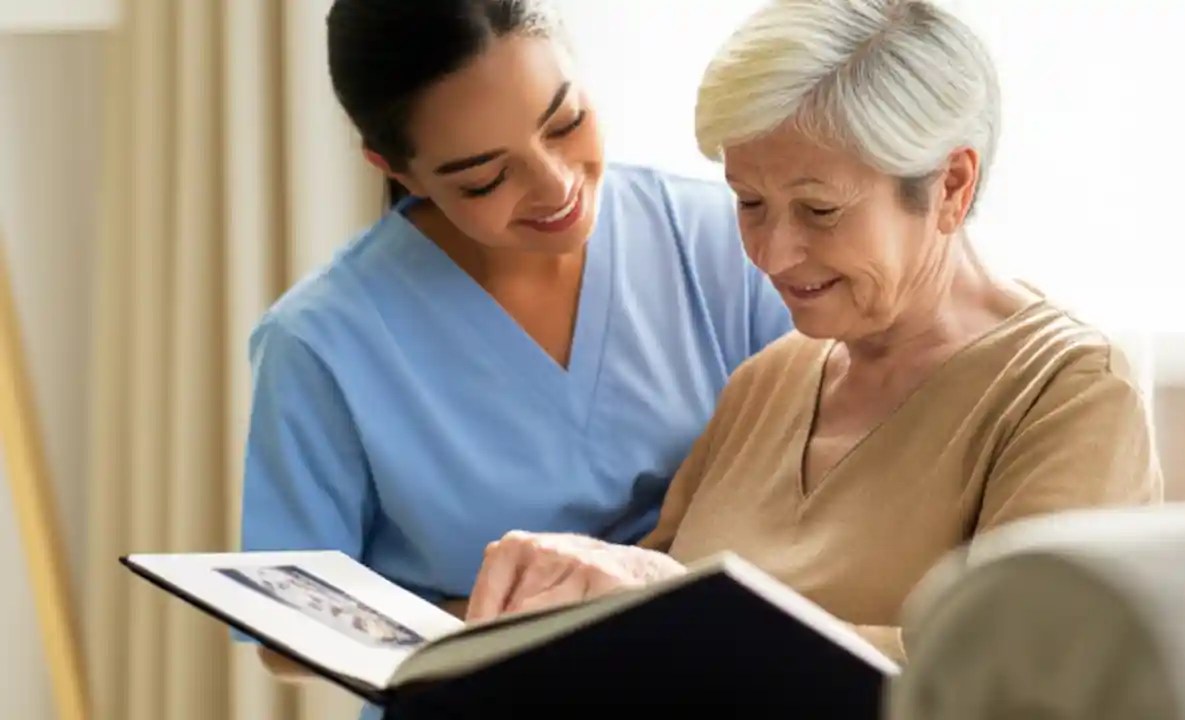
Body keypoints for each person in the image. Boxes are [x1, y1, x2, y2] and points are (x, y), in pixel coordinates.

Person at [464, 0, 1164, 666]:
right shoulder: (766, 382)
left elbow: (1012, 680)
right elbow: (649, 622)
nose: (772, 253)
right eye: (751, 203)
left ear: (950, 185)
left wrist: (688, 620)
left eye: (820, 210)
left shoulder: (1066, 394)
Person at [236, 0, 793, 696]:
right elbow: (286, 631)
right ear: (396, 170)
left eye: (565, 123)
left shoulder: (725, 244)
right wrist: (519, 622)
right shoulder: (320, 344)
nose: (555, 185)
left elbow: (831, 499)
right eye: (483, 178)